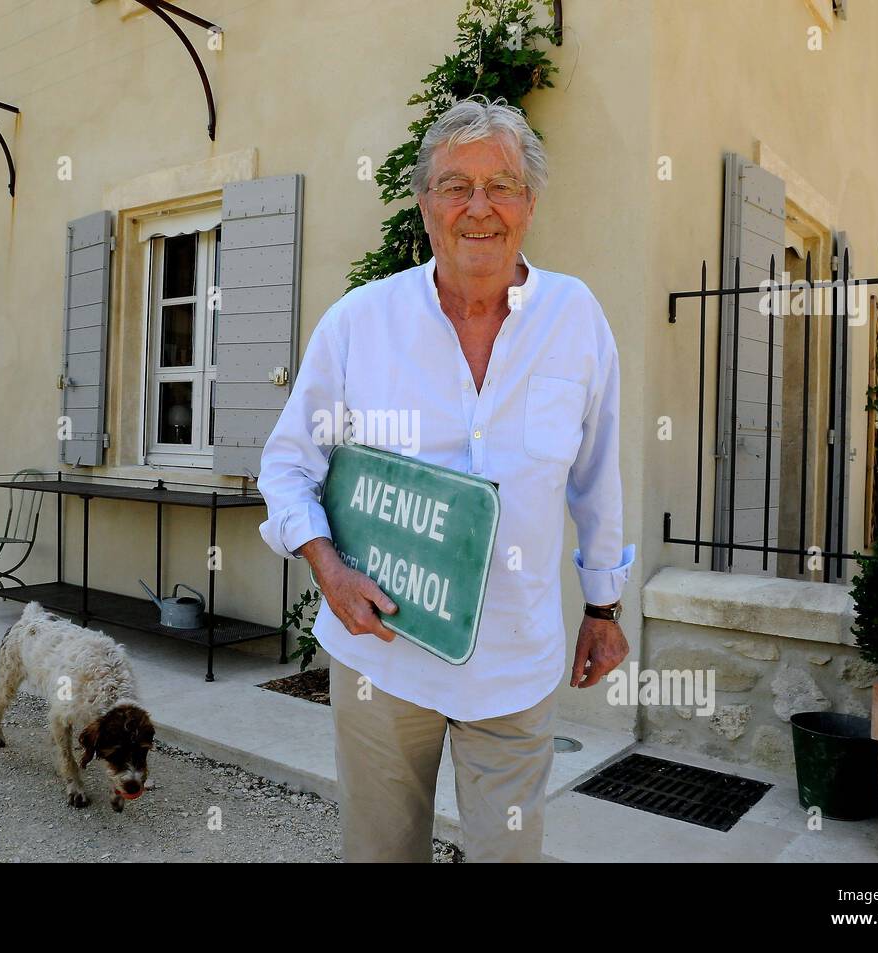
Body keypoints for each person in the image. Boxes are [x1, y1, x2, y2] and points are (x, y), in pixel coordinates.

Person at [257, 95, 635, 862]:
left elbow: (596, 474)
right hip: (381, 658)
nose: (479, 208)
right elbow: (288, 465)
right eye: (456, 186)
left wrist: (603, 603)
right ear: (425, 205)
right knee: (381, 852)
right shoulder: (360, 322)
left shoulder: (577, 320)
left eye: (501, 185)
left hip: (516, 663)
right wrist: (327, 570)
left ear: (529, 203)